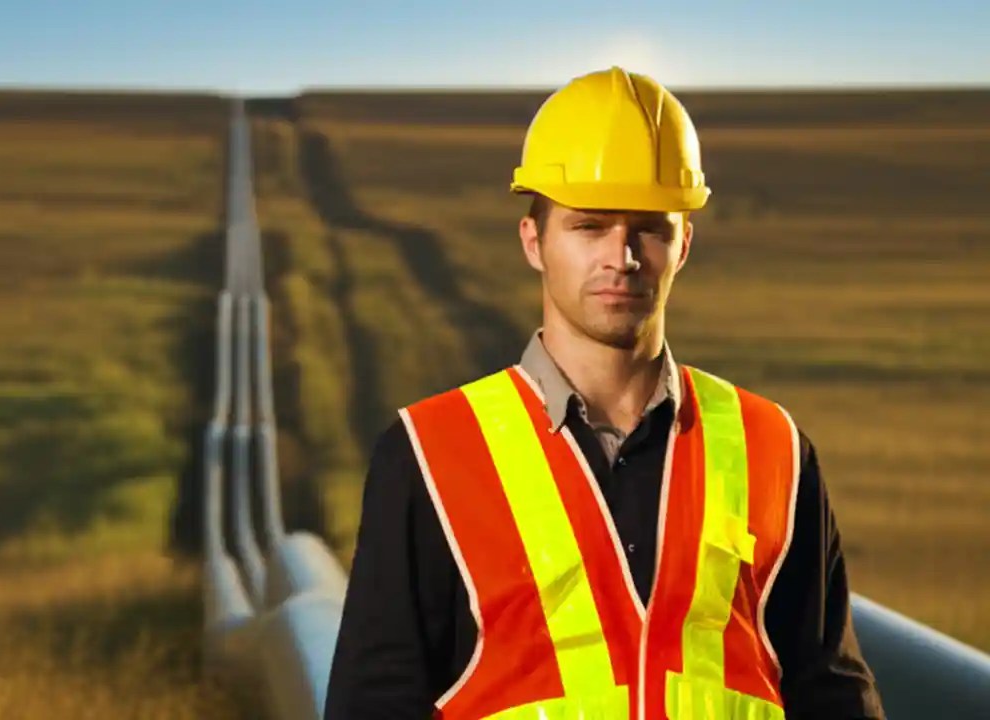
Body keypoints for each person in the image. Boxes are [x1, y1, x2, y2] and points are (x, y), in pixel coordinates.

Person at [323, 66, 885, 720]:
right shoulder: (428, 454)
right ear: (534, 242)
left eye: (649, 227)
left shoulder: (775, 449)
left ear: (684, 245)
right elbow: (375, 702)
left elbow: (832, 695)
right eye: (589, 226)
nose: (622, 256)